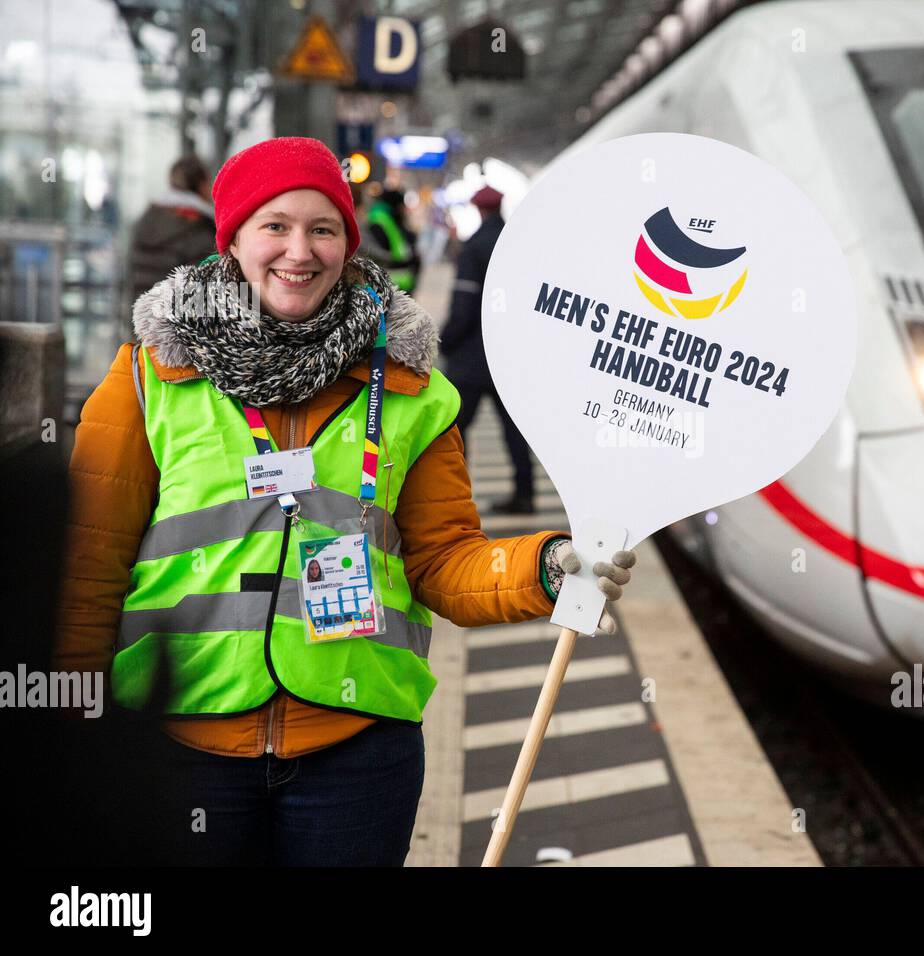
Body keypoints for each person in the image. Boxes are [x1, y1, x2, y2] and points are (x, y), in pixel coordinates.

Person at [53, 136, 636, 867]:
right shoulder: (150, 376)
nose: (300, 250)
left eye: (323, 229)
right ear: (232, 238)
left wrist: (544, 567)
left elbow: (445, 560)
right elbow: (85, 563)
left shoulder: (411, 389)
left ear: (347, 243)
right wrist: (72, 721)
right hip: (181, 749)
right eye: (276, 226)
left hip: (357, 759)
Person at [440, 184, 536, 514]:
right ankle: (525, 494)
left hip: (471, 357)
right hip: (511, 357)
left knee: (453, 433)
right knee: (514, 431)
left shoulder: (474, 247)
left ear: (479, 210)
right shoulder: (520, 246)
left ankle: (454, 501)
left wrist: (446, 340)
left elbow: (464, 305)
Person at [126, 155, 217, 303]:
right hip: (176, 322)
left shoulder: (146, 220)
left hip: (142, 318)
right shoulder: (199, 229)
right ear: (202, 185)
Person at [361, 187, 421, 293]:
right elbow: (378, 254)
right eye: (402, 206)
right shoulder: (382, 221)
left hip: (392, 281)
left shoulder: (380, 218)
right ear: (397, 206)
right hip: (391, 282)